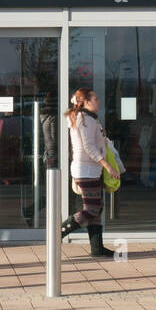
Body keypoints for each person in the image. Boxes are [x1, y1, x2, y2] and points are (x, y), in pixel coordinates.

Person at [61, 87, 118, 258]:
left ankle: (97, 248)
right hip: (86, 169)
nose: (98, 101)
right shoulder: (83, 118)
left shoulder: (91, 118)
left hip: (92, 170)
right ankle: (58, 232)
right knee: (92, 209)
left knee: (96, 209)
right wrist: (107, 166)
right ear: (85, 101)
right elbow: (88, 146)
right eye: (95, 99)